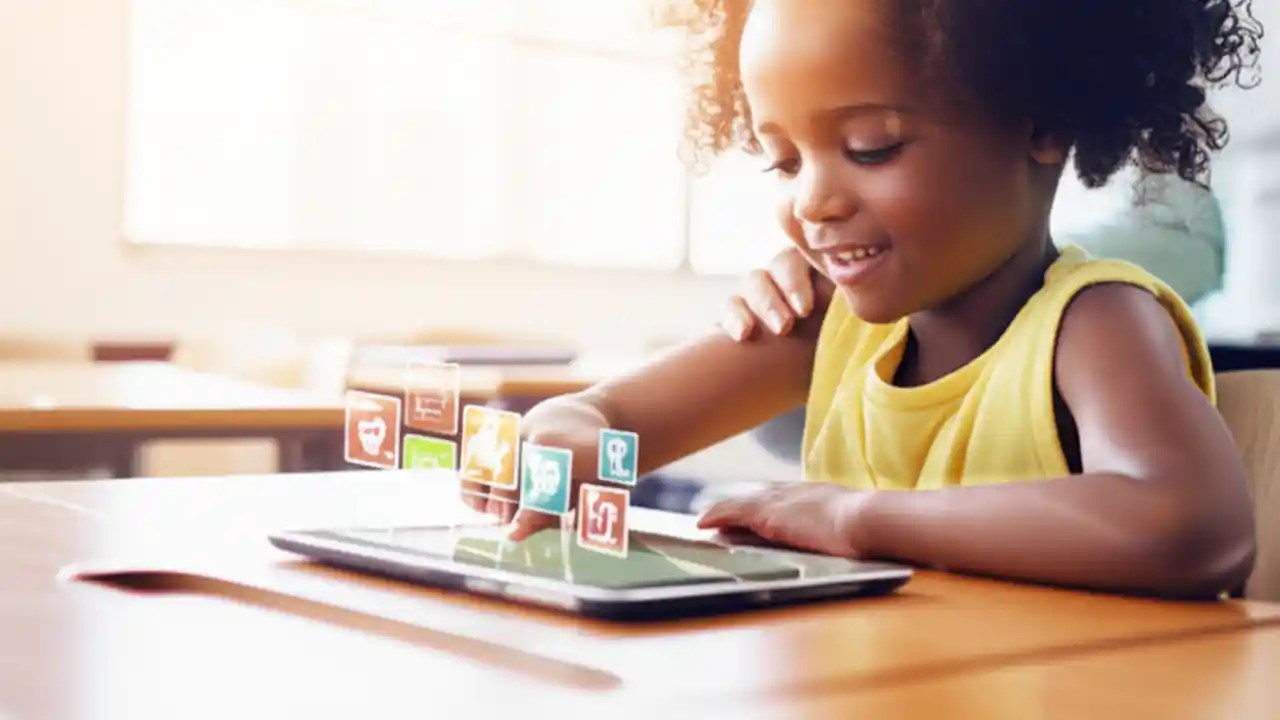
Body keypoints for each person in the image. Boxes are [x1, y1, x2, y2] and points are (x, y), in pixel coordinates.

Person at [467, 0, 1262, 597]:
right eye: (783, 161)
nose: (812, 202)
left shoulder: (1093, 323)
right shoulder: (823, 327)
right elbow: (608, 421)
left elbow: (1192, 529)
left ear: (1042, 121)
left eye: (870, 148)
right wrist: (560, 435)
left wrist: (858, 519)